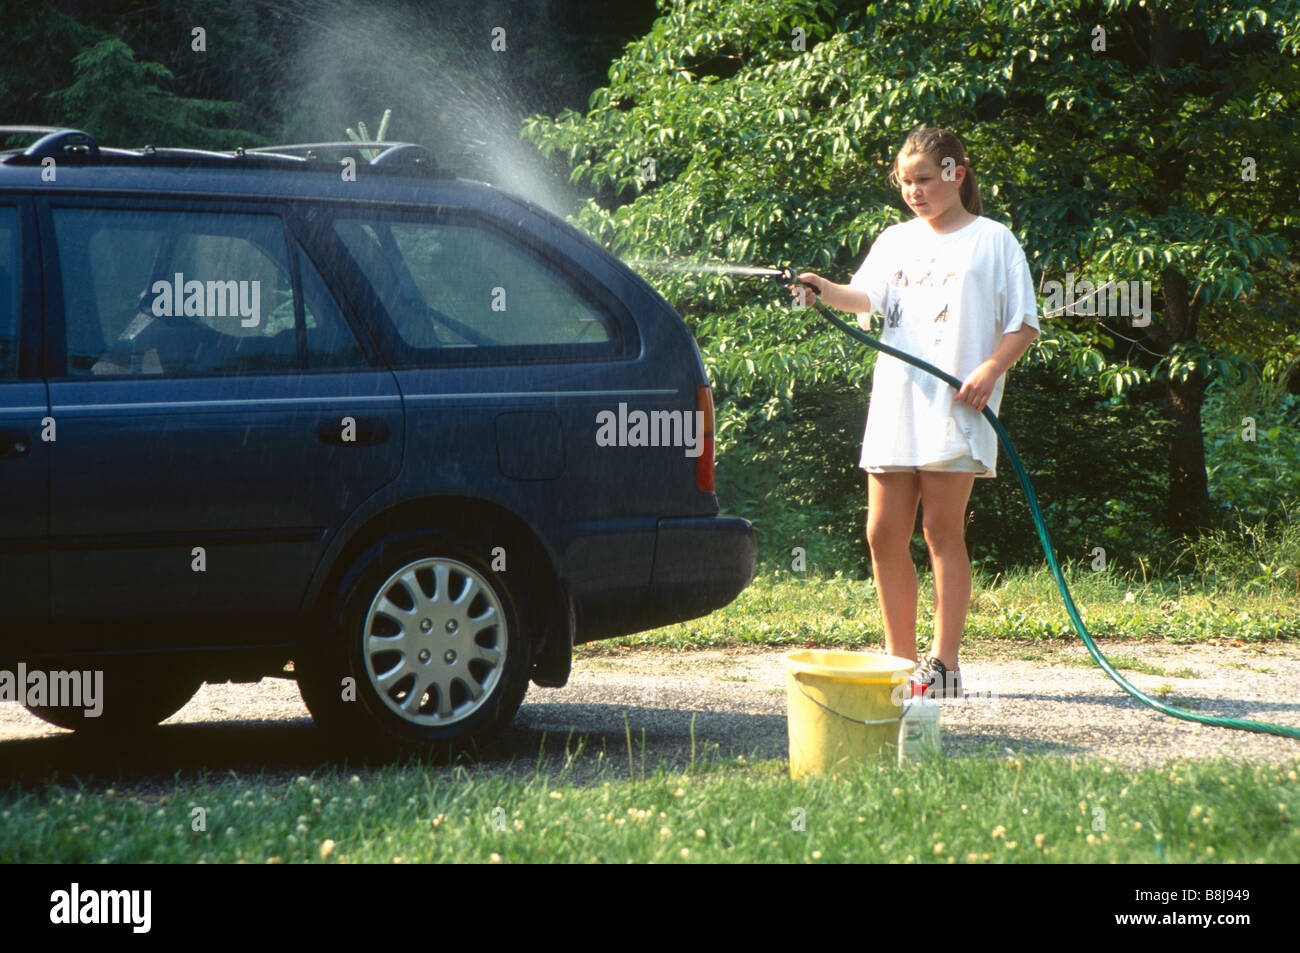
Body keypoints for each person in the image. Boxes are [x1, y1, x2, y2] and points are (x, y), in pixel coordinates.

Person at [790, 127, 1040, 699]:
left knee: (940, 531)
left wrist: (988, 371)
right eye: (906, 182)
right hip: (897, 403)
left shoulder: (993, 241)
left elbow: (1023, 324)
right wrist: (822, 288)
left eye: (925, 178)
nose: (915, 191)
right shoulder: (895, 240)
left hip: (957, 405)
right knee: (881, 533)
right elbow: (863, 298)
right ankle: (899, 664)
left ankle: (944, 666)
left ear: (957, 172)